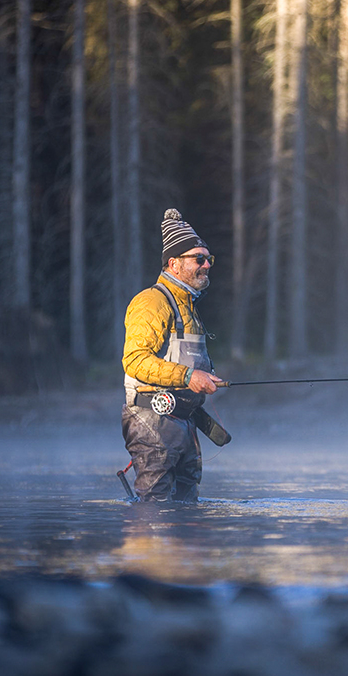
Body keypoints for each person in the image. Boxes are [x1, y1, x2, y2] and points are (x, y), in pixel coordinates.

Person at [121, 208, 224, 502]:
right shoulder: (151, 302)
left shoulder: (188, 307)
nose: (206, 265)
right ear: (173, 264)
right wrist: (190, 376)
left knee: (186, 508)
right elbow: (135, 360)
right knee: (156, 509)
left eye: (209, 259)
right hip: (151, 420)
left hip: (184, 421)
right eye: (199, 259)